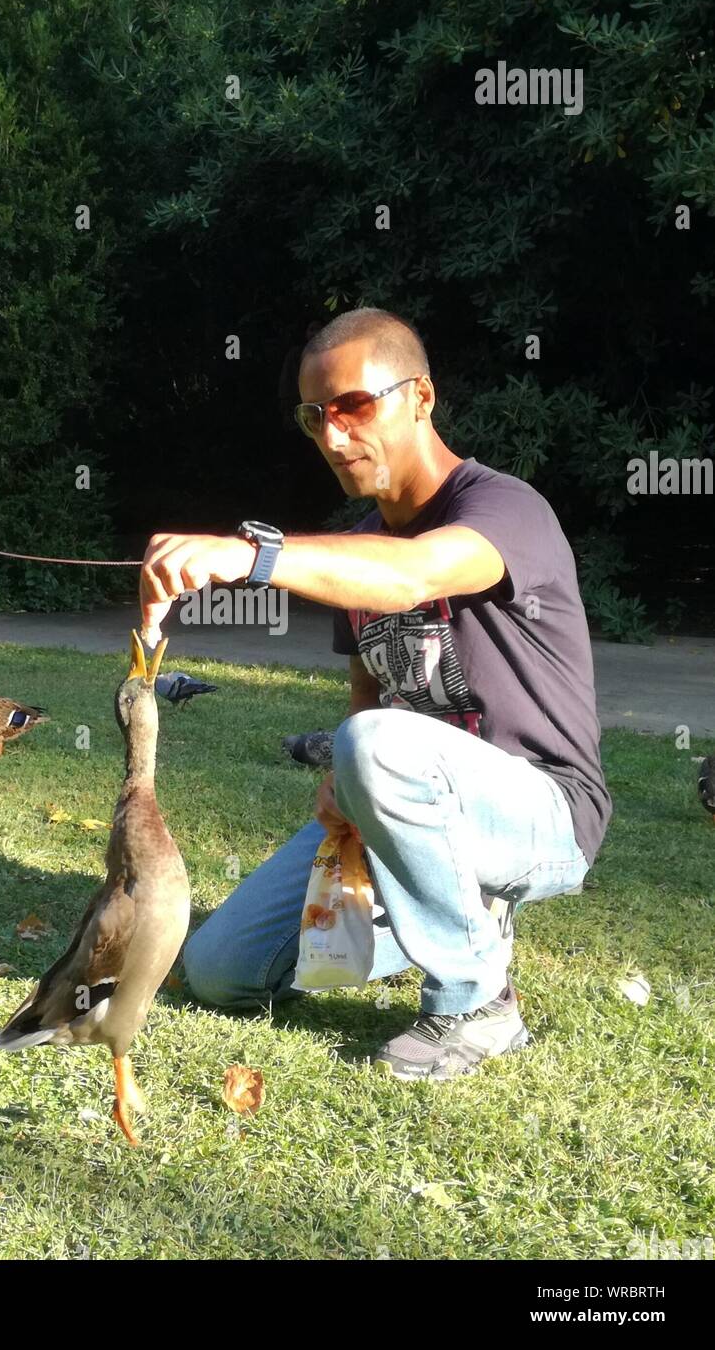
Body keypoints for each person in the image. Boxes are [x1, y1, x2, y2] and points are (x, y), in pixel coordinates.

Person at [139, 307, 611, 1081]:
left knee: (377, 748)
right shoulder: (360, 543)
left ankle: (476, 1003)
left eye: (355, 406)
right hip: (409, 801)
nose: (332, 436)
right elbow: (371, 691)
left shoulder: (503, 508)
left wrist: (248, 554)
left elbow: (413, 575)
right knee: (221, 969)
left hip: (543, 814)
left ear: (420, 397)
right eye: (313, 416)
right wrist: (344, 785)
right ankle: (461, 919)